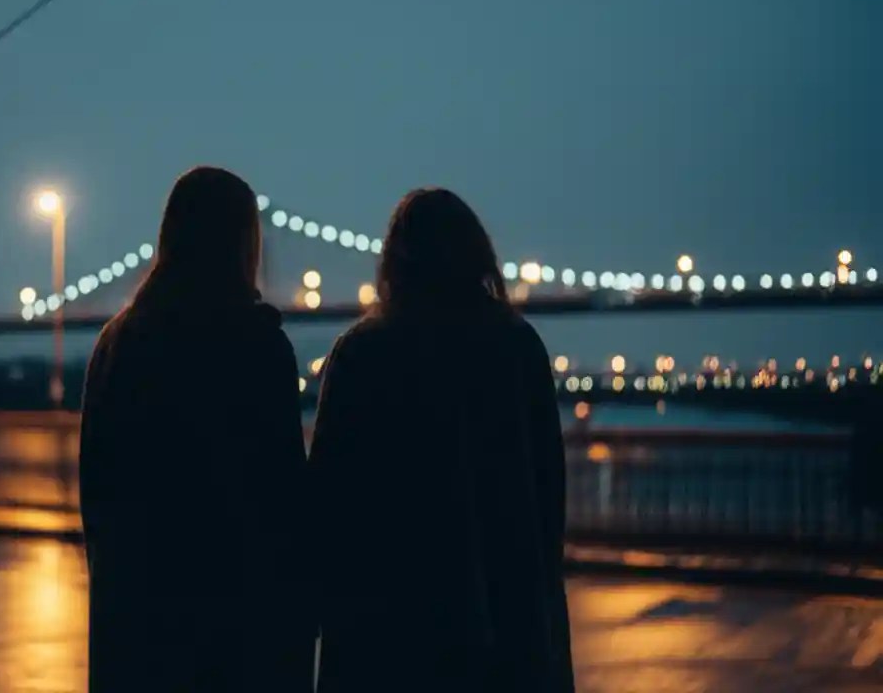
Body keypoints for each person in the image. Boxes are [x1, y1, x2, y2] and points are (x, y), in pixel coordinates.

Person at [309, 188, 575, 691]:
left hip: (384, 639)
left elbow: (328, 503)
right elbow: (547, 499)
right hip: (505, 631)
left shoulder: (361, 354)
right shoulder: (519, 347)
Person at [79, 166, 314, 692]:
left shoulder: (116, 344)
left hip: (135, 631)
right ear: (243, 243)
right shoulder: (255, 346)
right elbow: (281, 504)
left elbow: (96, 496)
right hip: (236, 638)